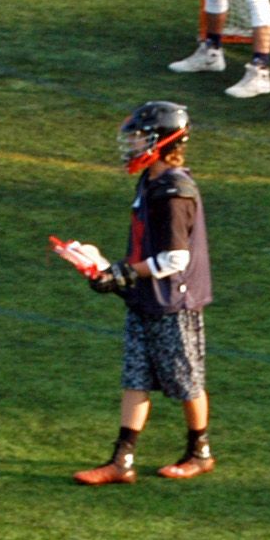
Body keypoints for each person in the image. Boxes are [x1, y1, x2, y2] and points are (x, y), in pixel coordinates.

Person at [63, 102, 215, 483]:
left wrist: (123, 274)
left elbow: (175, 259)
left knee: (186, 381)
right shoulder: (150, 181)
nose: (131, 146)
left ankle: (200, 452)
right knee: (135, 378)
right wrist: (102, 266)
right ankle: (121, 461)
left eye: (139, 138)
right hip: (146, 297)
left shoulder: (174, 191)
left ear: (163, 142)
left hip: (172, 303)